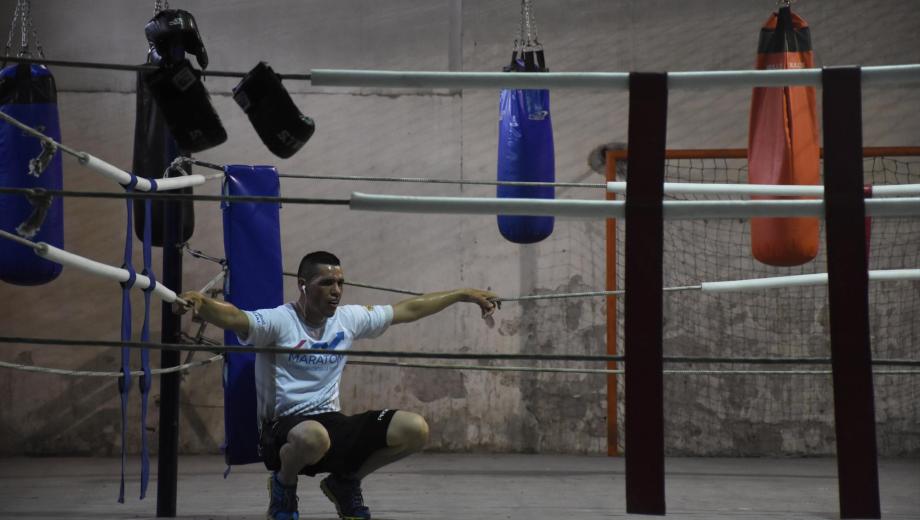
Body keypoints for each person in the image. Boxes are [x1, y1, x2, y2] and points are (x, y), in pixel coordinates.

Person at [176, 250, 498, 520]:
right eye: (326, 282)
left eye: (340, 283)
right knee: (314, 437)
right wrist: (202, 303)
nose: (336, 290)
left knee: (415, 429)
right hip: (282, 429)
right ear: (303, 286)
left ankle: (345, 482)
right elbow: (236, 318)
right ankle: (283, 485)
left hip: (331, 423)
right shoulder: (279, 321)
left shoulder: (348, 319)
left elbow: (408, 309)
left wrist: (462, 295)